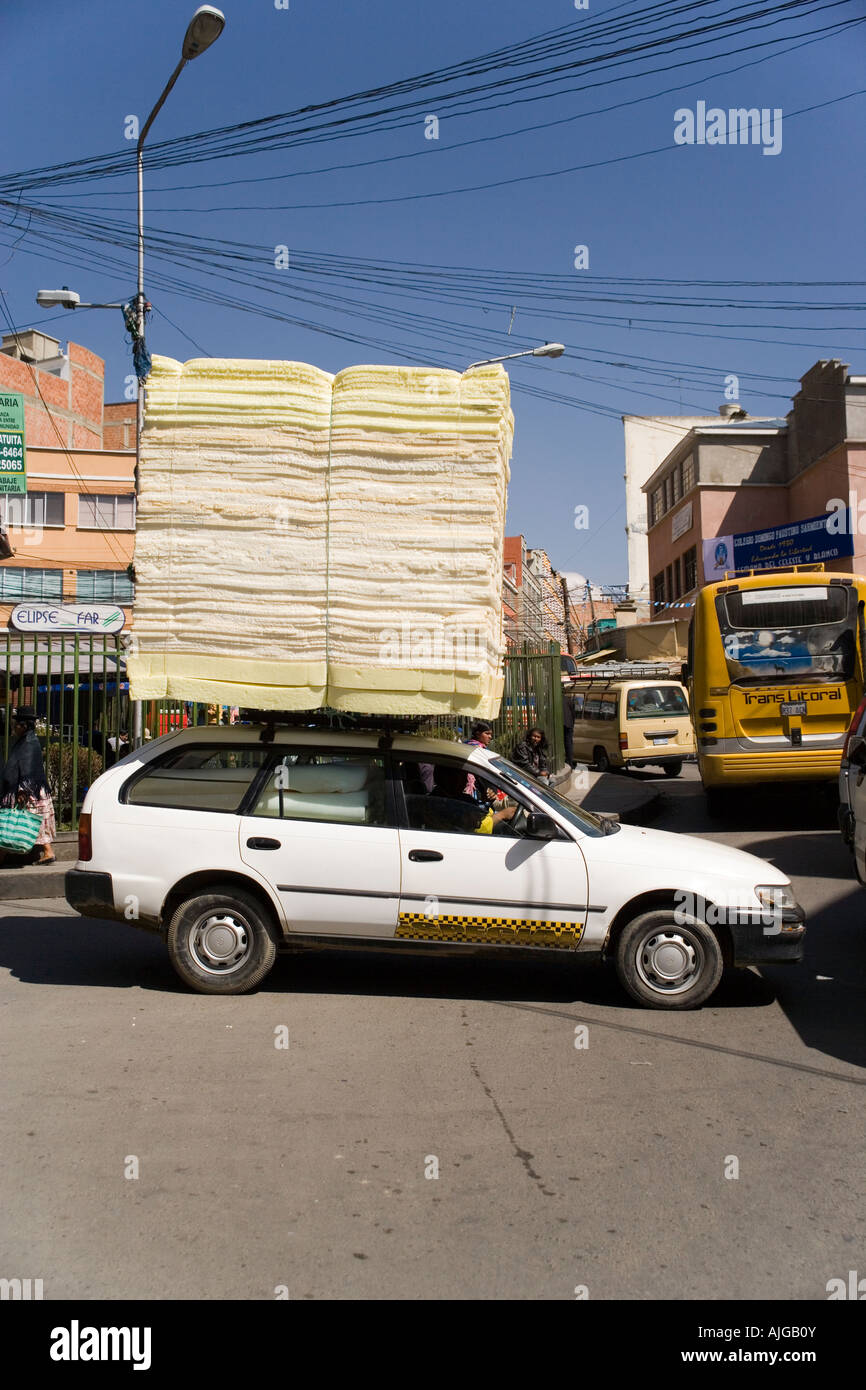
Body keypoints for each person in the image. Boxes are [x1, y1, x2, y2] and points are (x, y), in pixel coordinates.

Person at [0, 706, 56, 864]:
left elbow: (28, 768)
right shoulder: (26, 741)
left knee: (19, 821)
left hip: (27, 792)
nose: (14, 727)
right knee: (26, 821)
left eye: (17, 724)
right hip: (30, 791)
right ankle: (47, 851)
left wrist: (22, 790)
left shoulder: (29, 743)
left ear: (24, 726)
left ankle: (47, 851)